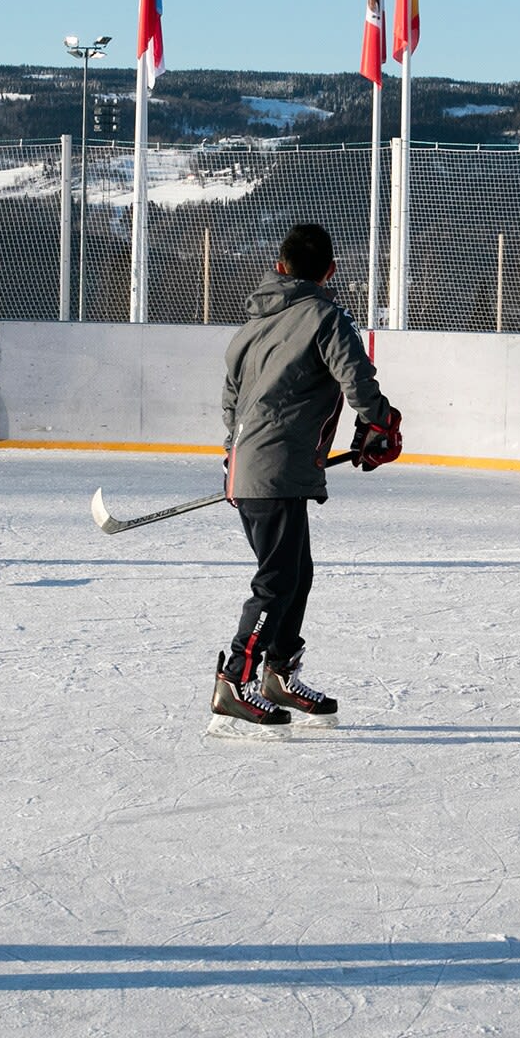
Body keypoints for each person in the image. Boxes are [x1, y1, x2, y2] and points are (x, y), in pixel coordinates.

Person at [213, 223, 401, 738]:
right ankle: (234, 680)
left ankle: (277, 673)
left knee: (297, 574)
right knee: (277, 582)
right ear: (331, 271)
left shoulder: (250, 326)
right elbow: (357, 380)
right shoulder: (325, 316)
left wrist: (235, 456)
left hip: (254, 468)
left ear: (279, 267)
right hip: (275, 471)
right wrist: (381, 423)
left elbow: (230, 401)